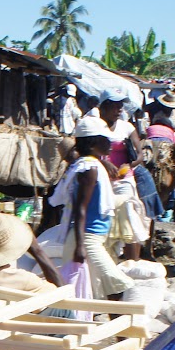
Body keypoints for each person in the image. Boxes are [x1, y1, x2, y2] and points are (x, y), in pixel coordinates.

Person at [41, 122, 129, 297]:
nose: (110, 145)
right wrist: (80, 246)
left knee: (93, 288)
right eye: (105, 140)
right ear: (92, 144)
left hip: (91, 236)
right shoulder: (89, 169)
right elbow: (81, 208)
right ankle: (119, 321)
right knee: (116, 283)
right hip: (87, 238)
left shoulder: (90, 165)